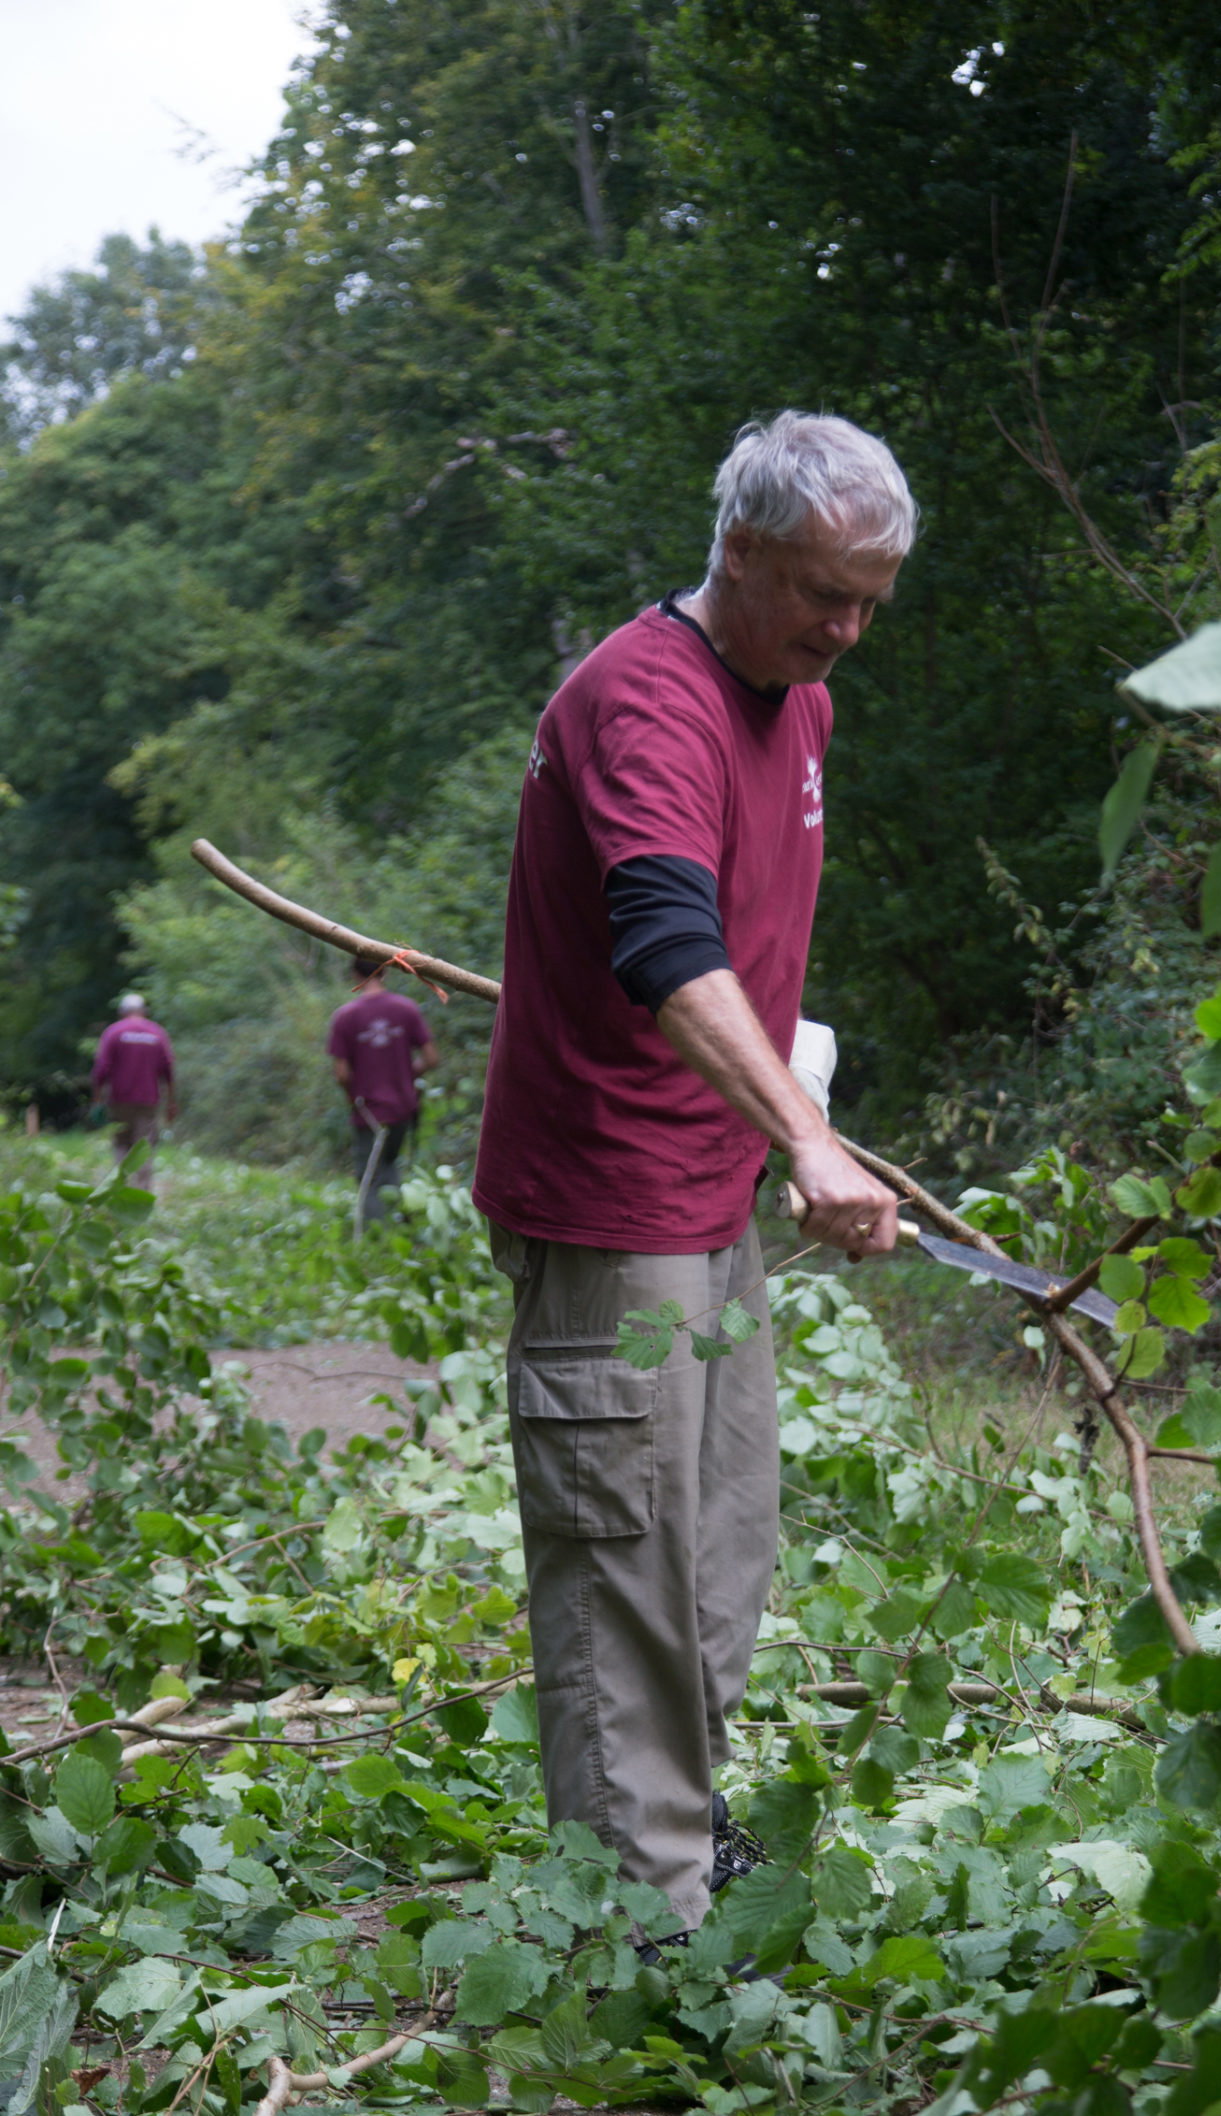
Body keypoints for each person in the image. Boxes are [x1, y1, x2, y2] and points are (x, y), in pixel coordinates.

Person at [473, 410, 915, 1942]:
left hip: (711, 1188)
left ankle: (669, 1838)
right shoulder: (645, 701)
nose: (845, 630)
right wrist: (807, 1138)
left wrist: (796, 1099)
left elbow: (748, 936)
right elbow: (667, 942)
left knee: (719, 1546)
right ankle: (633, 1932)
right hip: (611, 1199)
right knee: (624, 1561)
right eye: (824, 594)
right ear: (739, 549)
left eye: (869, 602)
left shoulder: (799, 701)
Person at [326, 955, 439, 1222]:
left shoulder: (345, 1017)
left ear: (355, 976)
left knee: (370, 1177)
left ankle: (375, 1238)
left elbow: (341, 1073)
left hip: (368, 1110)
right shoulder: (407, 1009)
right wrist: (406, 1075)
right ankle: (398, 1228)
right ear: (384, 973)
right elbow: (431, 1058)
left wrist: (353, 1094)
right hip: (403, 1107)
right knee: (389, 1166)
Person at [91, 991, 177, 1188]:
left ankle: (118, 1190)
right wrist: (172, 1103)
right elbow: (169, 1071)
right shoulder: (157, 1033)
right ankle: (142, 1193)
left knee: (121, 1145)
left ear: (122, 1012)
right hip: (149, 1101)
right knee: (143, 1147)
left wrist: (97, 1100)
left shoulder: (113, 1032)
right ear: (144, 1011)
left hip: (118, 1101)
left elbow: (100, 1070)